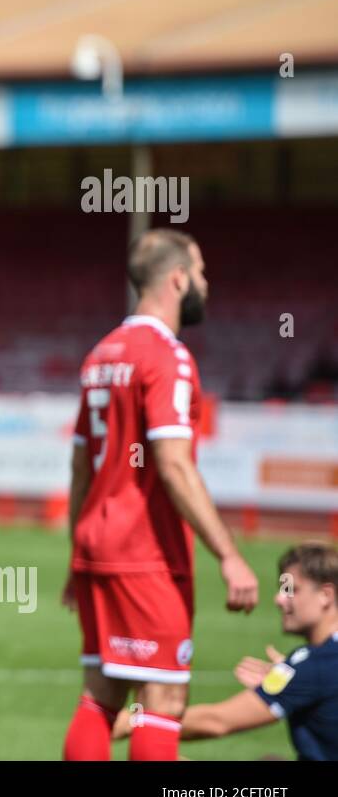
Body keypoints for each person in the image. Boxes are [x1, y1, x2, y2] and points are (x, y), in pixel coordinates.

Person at [61, 228, 258, 761]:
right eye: (200, 273)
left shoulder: (103, 352)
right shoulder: (166, 356)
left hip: (97, 547)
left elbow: (81, 464)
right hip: (146, 553)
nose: (205, 284)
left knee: (101, 698)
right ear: (178, 279)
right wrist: (230, 555)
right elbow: (173, 465)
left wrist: (76, 555)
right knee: (163, 701)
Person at [119, 542, 338, 761]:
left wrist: (136, 721)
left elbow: (217, 722)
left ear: (326, 595)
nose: (279, 599)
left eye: (291, 590)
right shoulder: (317, 663)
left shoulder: (316, 665)